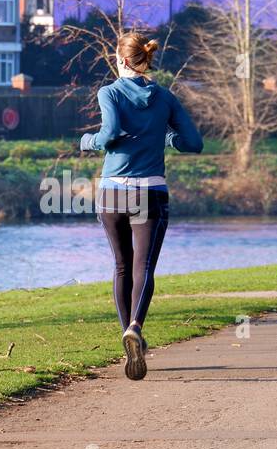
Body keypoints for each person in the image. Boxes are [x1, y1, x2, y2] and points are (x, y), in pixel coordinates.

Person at [79, 32, 204, 380]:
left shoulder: (110, 92)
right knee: (143, 266)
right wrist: (166, 136)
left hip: (113, 192)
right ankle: (135, 325)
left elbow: (109, 133)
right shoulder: (165, 98)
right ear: (145, 60)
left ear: (120, 60)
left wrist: (88, 141)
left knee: (121, 265)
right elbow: (194, 143)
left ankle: (128, 333)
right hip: (150, 191)